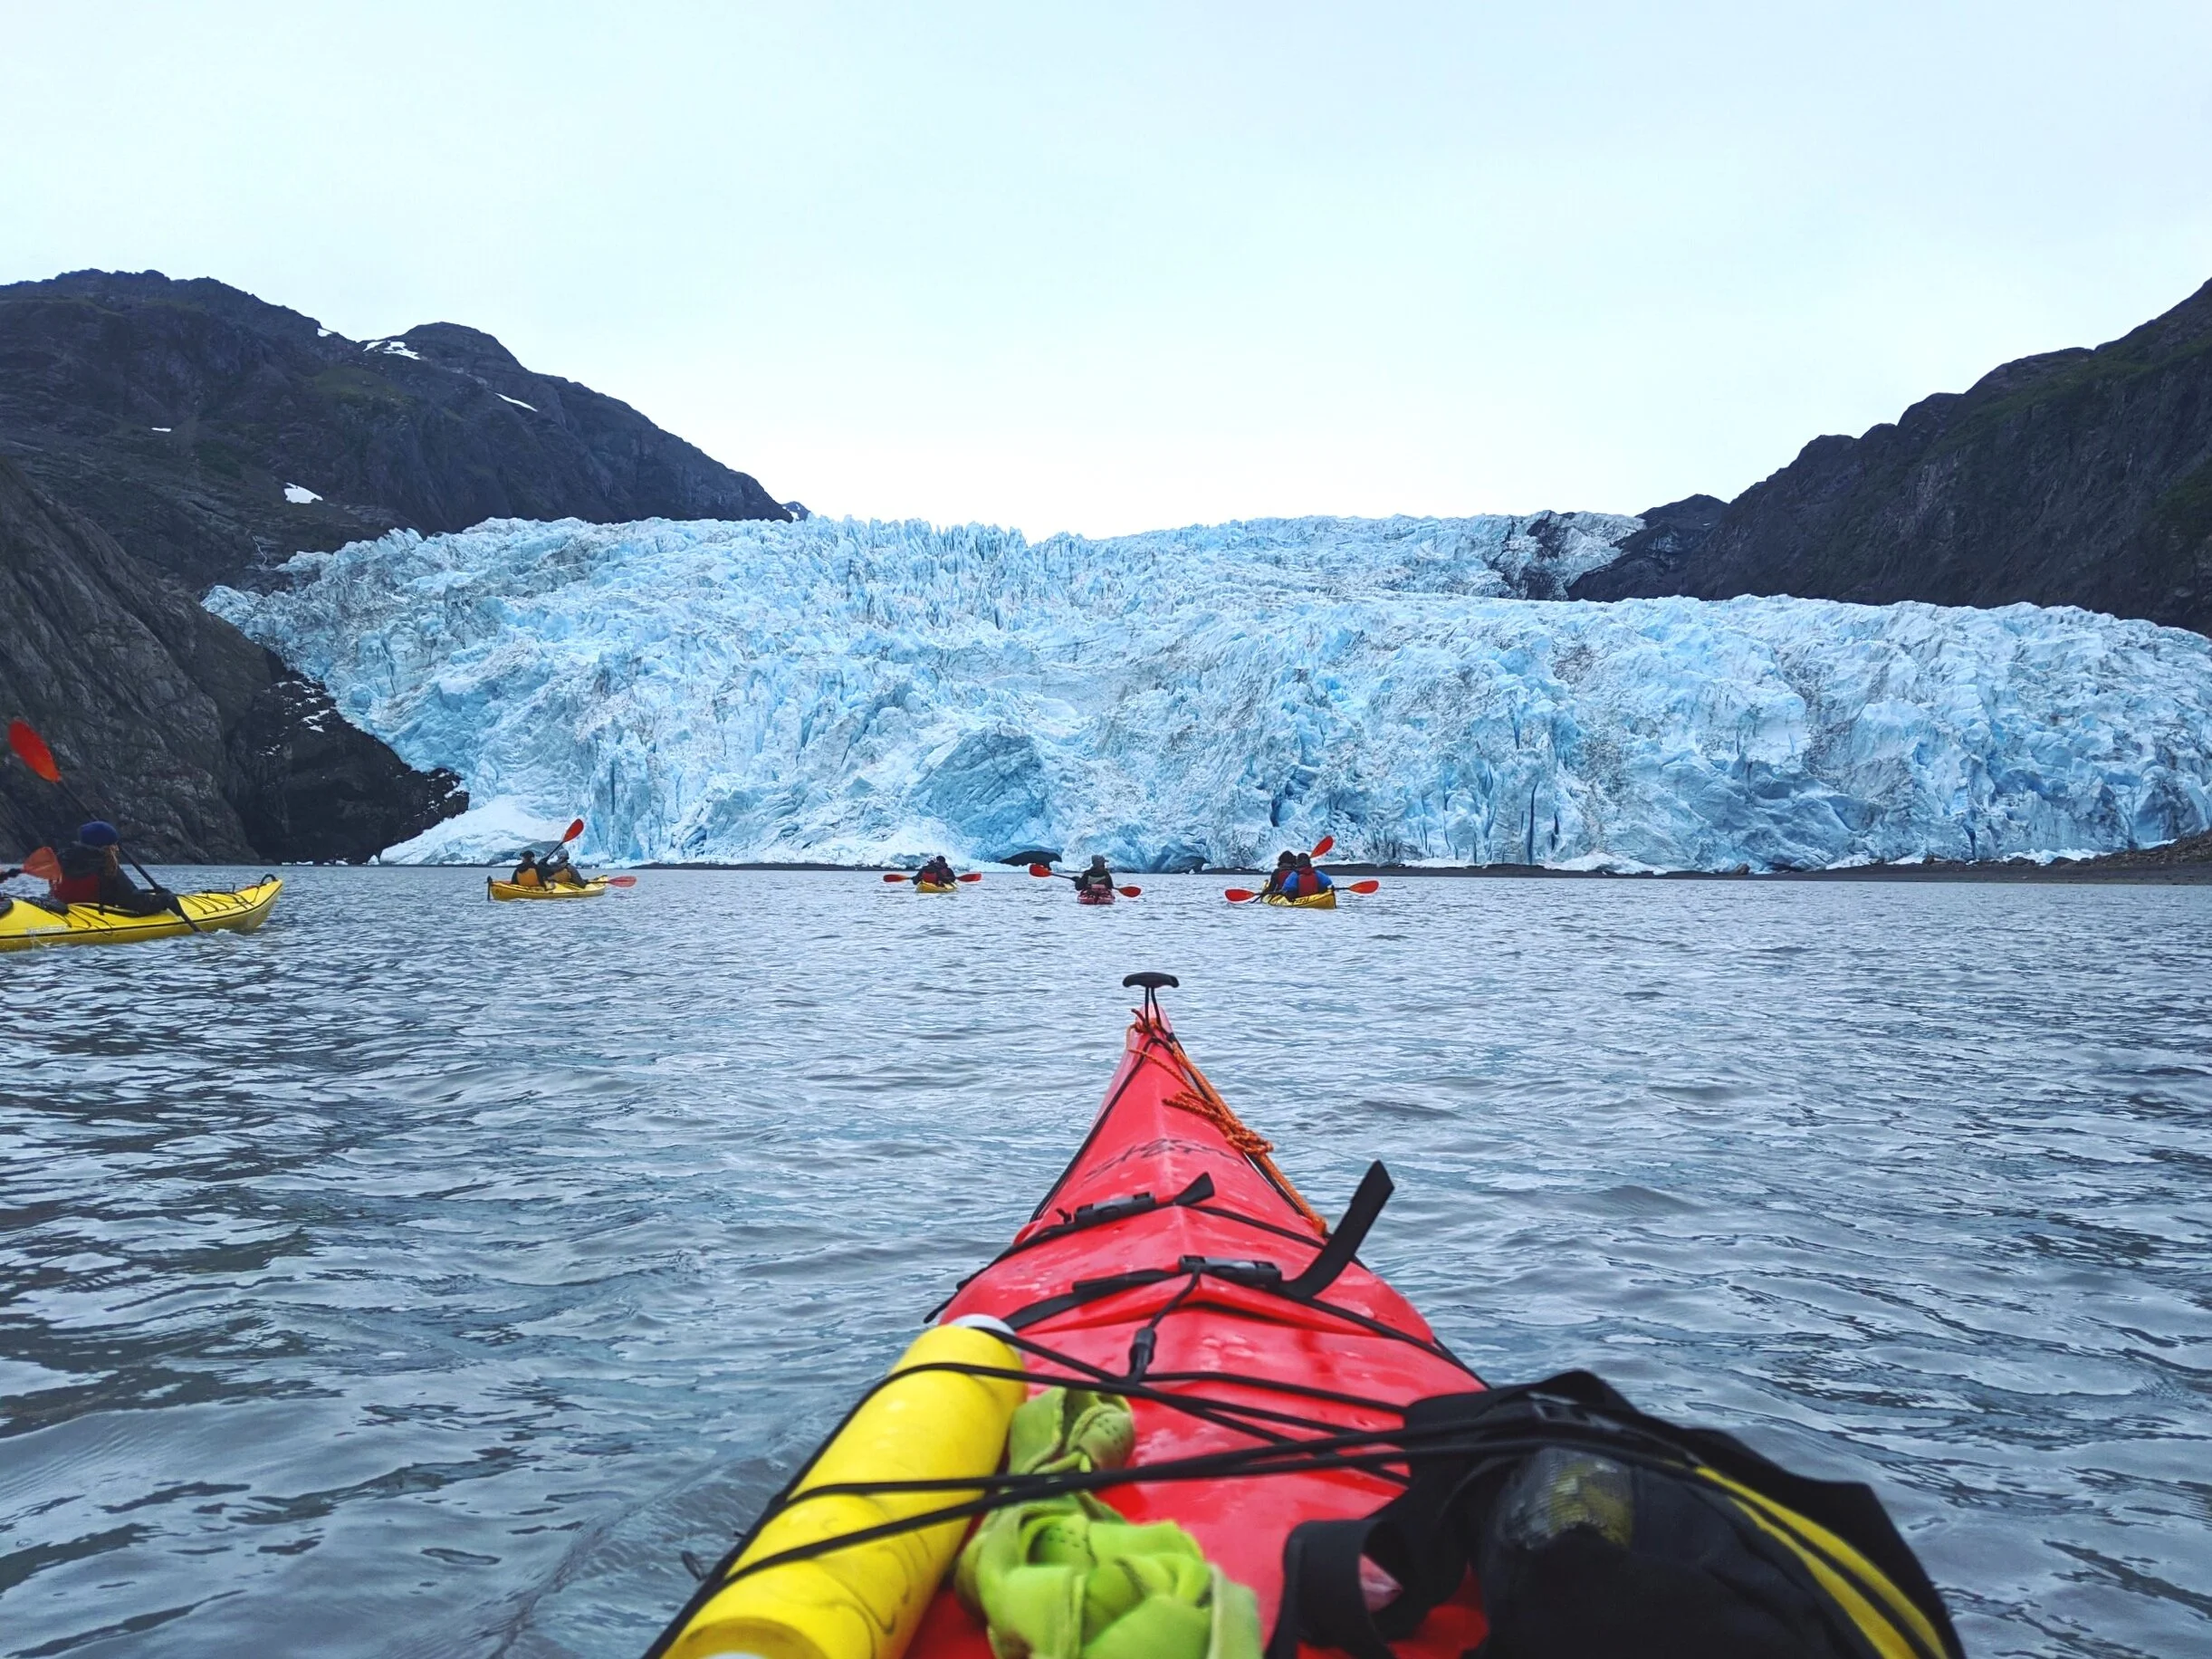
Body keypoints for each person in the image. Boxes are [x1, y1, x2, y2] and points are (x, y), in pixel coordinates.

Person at [52, 821, 169, 914]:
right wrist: (164, 900)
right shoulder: (106, 867)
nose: (117, 849)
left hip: (61, 911)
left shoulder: (60, 861)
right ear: (106, 847)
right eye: (114, 844)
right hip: (98, 916)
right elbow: (137, 903)